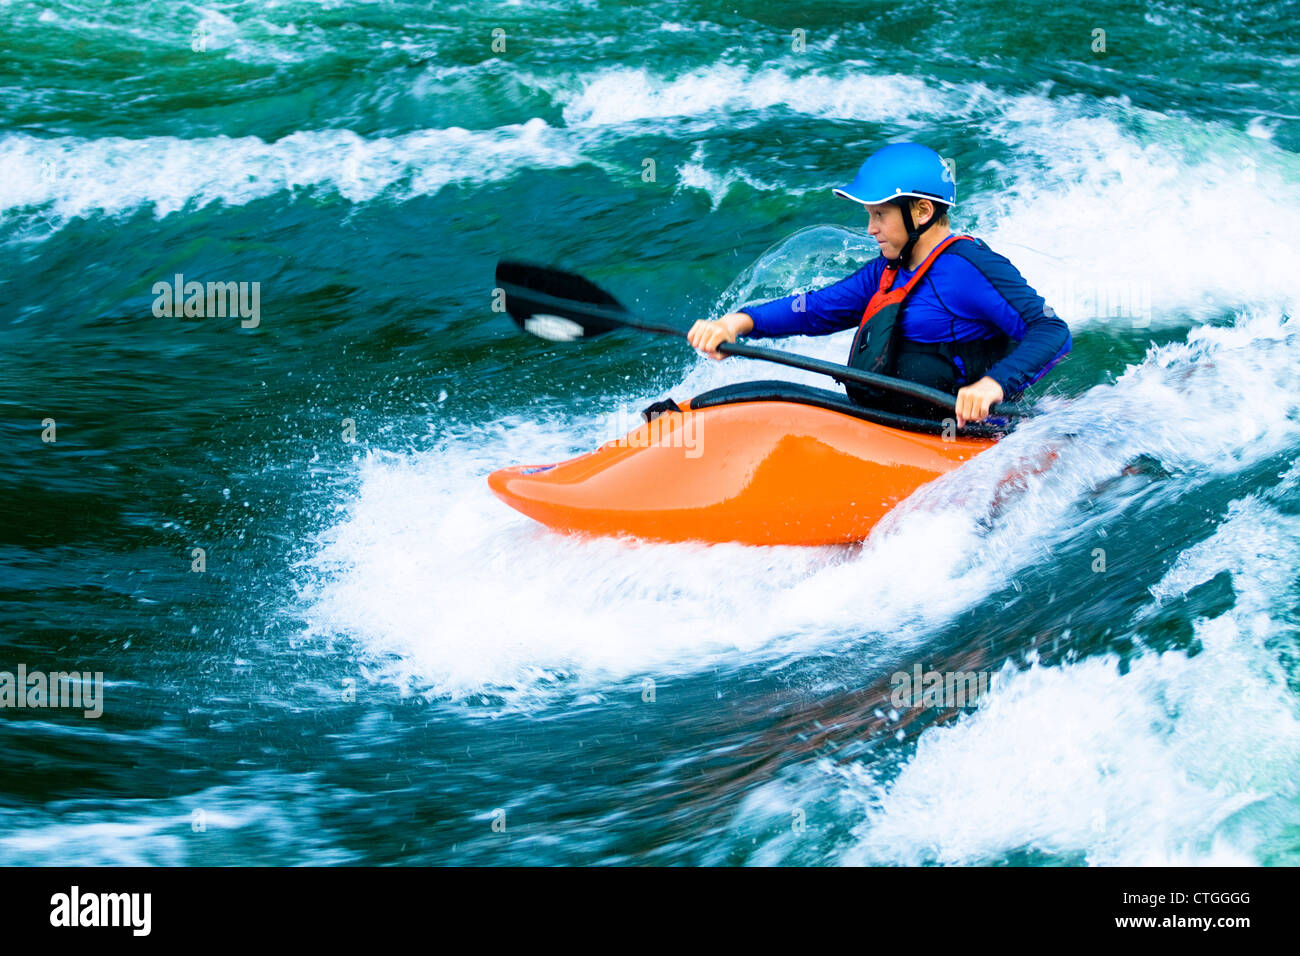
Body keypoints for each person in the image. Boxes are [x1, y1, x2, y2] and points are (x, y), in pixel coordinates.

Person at [687, 142, 1070, 426]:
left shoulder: (968, 268)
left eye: (881, 215)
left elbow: (1051, 330)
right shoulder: (887, 271)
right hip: (892, 425)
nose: (871, 229)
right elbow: (816, 309)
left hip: (962, 438)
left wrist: (993, 385)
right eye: (870, 215)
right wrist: (738, 324)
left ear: (922, 211)